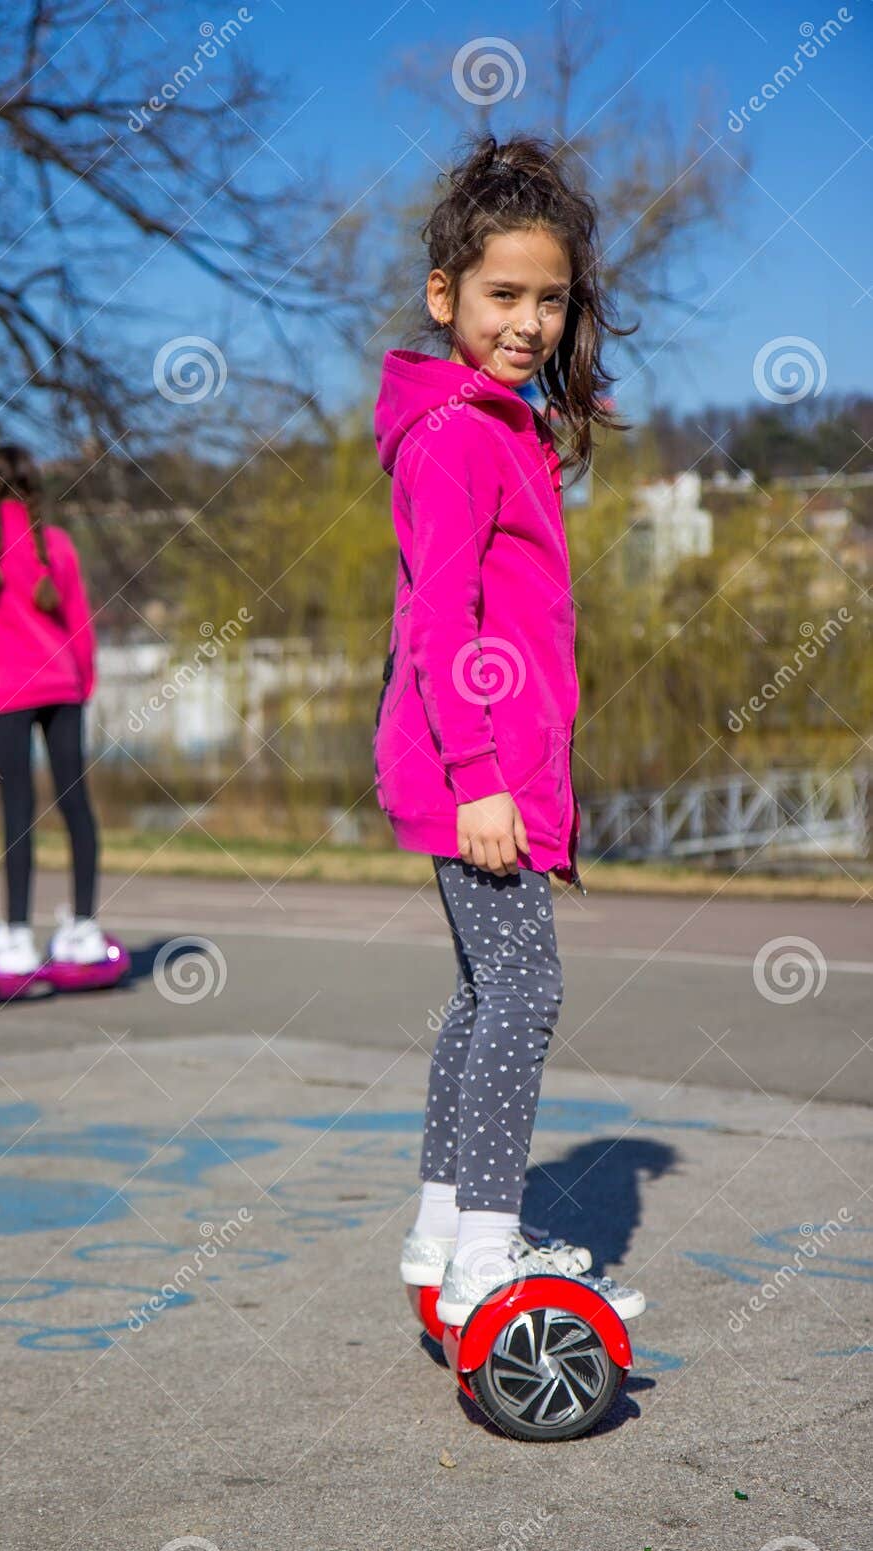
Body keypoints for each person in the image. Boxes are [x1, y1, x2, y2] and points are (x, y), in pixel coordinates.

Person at [374, 134, 645, 1326]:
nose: (527, 321)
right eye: (501, 295)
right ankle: (489, 1244)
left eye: (548, 297)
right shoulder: (453, 436)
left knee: (488, 994)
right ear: (445, 298)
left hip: (489, 763)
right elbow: (439, 620)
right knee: (524, 990)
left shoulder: (501, 426)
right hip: (470, 768)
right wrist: (482, 778)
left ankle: (442, 1234)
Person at [0, 442, 108, 973]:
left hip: (10, 691)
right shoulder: (59, 544)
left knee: (17, 811)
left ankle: (17, 934)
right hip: (63, 686)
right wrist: (83, 684)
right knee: (77, 807)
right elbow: (81, 622)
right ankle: (84, 928)